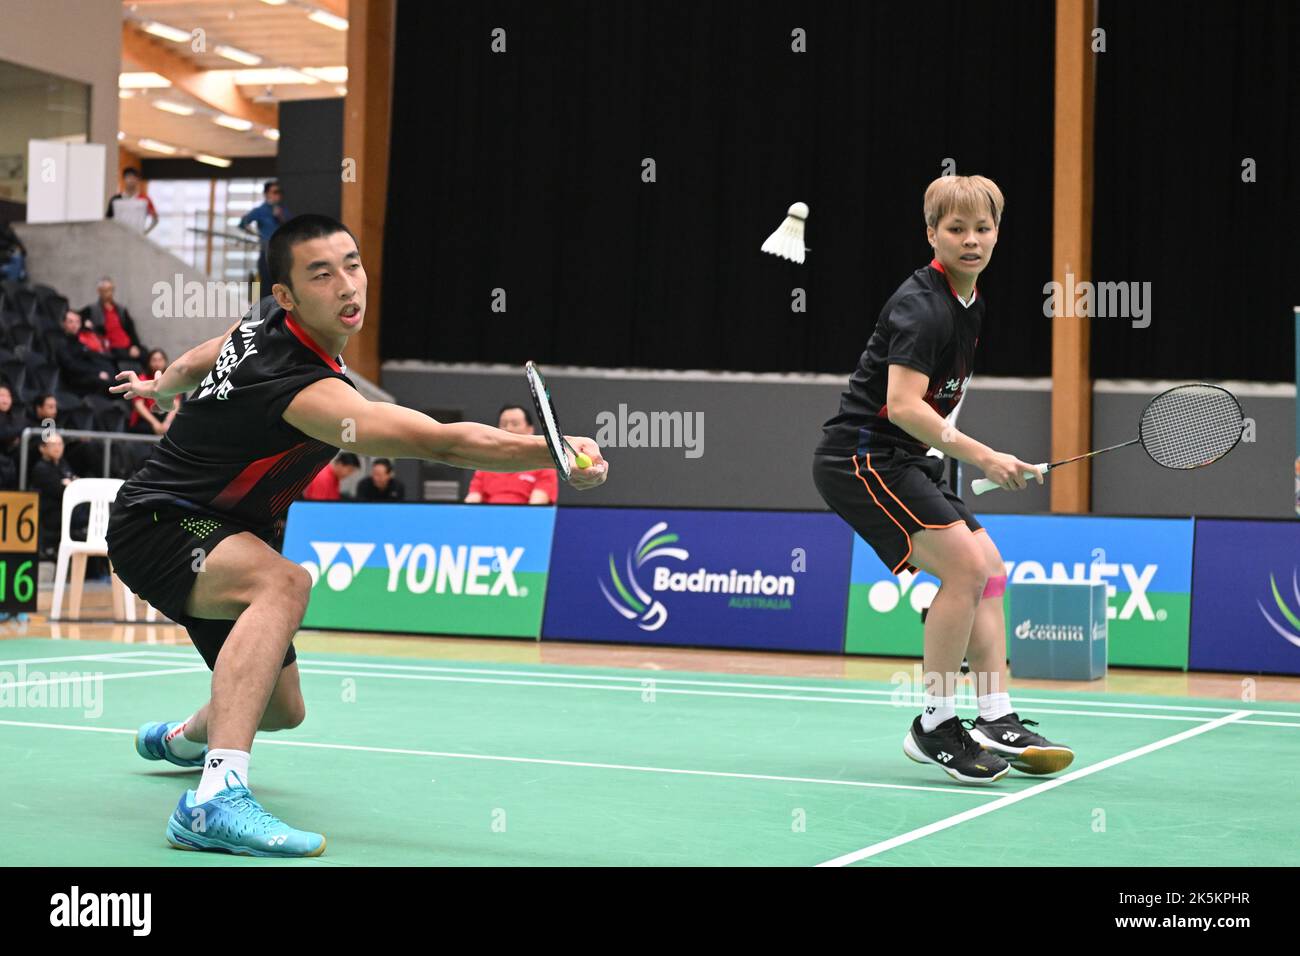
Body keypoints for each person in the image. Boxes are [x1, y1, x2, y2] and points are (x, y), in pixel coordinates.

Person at [106, 213, 607, 858]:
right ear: (287, 294)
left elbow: (215, 349)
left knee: (283, 709)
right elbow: (442, 441)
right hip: (165, 522)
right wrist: (551, 451)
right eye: (323, 274)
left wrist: (163, 381)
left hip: (219, 528)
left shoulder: (267, 321)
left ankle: (181, 739)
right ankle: (212, 801)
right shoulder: (303, 391)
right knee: (284, 584)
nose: (349, 286)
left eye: (353, 264)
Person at [812, 174, 1073, 786]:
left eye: (983, 229)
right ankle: (934, 723)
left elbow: (941, 405)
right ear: (932, 234)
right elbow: (903, 405)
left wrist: (972, 461)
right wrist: (986, 457)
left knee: (990, 569)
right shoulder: (921, 308)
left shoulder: (969, 301)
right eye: (956, 229)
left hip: (909, 460)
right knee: (964, 570)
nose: (972, 240)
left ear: (997, 235)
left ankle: (994, 715)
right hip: (863, 458)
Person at [464, 406, 560, 504]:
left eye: (515, 424)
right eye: (504, 424)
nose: (508, 429)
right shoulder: (485, 465)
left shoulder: (543, 465)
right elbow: (473, 500)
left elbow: (537, 505)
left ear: (530, 430)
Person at [30, 433, 79, 559]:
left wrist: (69, 483)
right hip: (49, 514)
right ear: (42, 448)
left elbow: (76, 484)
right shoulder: (40, 468)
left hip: (66, 512)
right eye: (53, 444)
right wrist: (68, 484)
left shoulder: (63, 464)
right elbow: (60, 491)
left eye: (60, 444)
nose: (57, 448)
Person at [80, 277, 146, 364]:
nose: (108, 293)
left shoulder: (121, 310)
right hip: (109, 348)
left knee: (145, 354)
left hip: (127, 346)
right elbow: (78, 321)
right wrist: (87, 324)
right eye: (105, 290)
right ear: (99, 291)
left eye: (111, 290)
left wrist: (135, 346)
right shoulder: (91, 309)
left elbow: (131, 330)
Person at [239, 180, 289, 287]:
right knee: (266, 284)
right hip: (266, 251)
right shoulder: (260, 210)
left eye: (279, 192)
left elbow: (290, 226)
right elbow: (243, 223)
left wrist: (279, 217)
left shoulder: (283, 210)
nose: (277, 195)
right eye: (274, 192)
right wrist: (254, 234)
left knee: (282, 284)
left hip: (282, 252)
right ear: (267, 194)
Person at [55, 310, 116, 395]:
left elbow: (89, 357)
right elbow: (71, 366)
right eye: (70, 322)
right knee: (110, 385)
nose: (74, 325)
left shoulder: (78, 342)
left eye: (77, 322)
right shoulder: (61, 343)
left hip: (87, 375)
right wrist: (97, 373)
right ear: (63, 323)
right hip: (75, 379)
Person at [105, 168, 159, 234]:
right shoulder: (115, 199)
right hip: (119, 237)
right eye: (128, 177)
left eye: (134, 178)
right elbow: (108, 219)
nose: (131, 180)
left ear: (137, 180)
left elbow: (155, 218)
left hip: (137, 237)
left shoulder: (144, 199)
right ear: (124, 179)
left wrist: (145, 232)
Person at [0, 384, 29, 489]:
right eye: (1, 395)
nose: (5, 399)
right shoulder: (19, 424)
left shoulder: (16, 418)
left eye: (8, 396)